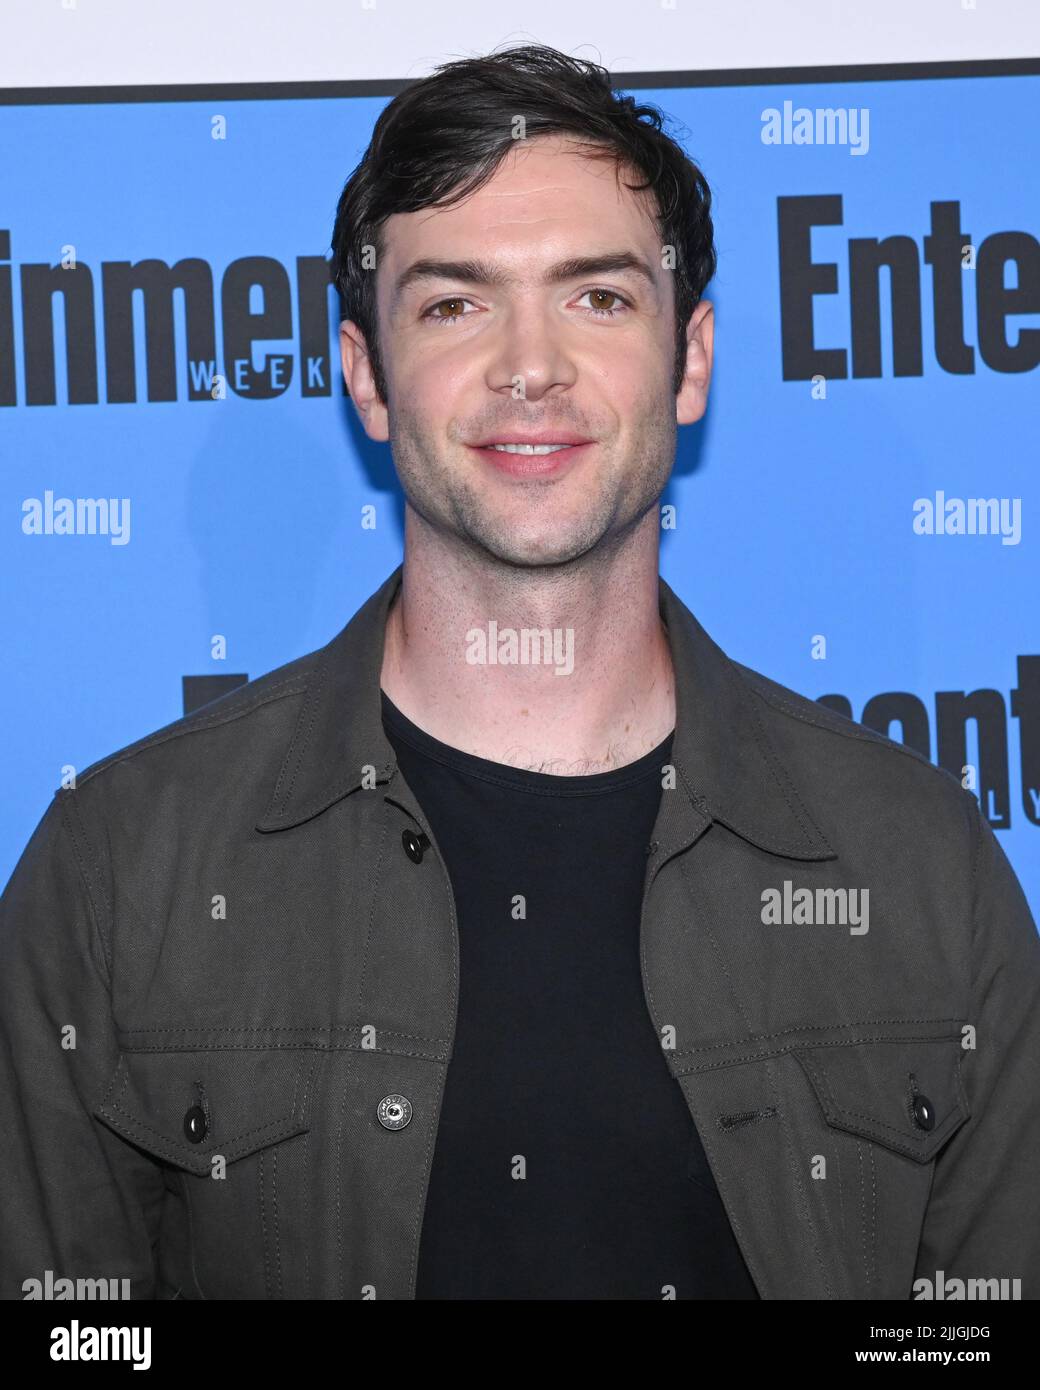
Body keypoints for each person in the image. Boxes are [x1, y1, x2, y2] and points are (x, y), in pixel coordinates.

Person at [2, 44, 1038, 1302]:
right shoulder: (120, 866)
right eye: (454, 302)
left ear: (690, 358)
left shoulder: (918, 865)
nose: (529, 366)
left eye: (596, 297)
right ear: (366, 377)